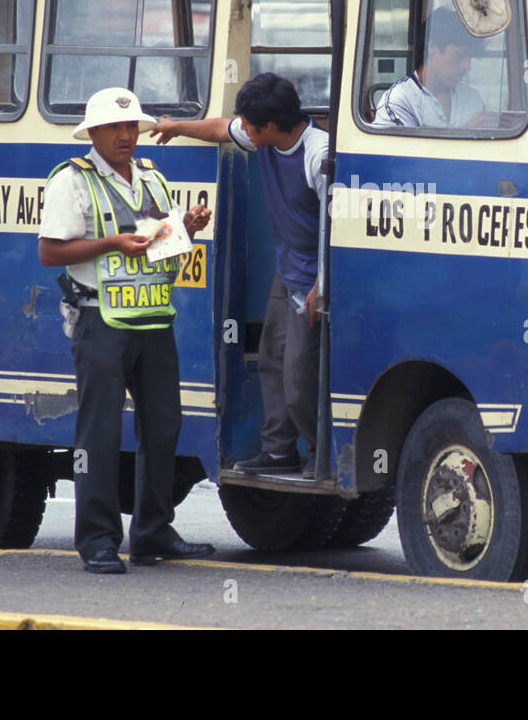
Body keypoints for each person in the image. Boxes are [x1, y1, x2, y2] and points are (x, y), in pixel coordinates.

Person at [38, 87, 215, 574]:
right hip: (101, 320)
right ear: (93, 132)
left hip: (153, 318)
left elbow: (160, 245)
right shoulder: (71, 182)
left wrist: (189, 228)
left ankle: (152, 532)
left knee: (163, 427)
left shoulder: (152, 180)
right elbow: (50, 252)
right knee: (98, 431)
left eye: (132, 127)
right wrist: (113, 243)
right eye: (115, 128)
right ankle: (97, 539)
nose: (126, 136)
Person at [153, 73, 326, 479]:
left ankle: (322, 453)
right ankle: (279, 451)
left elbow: (338, 229)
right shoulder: (265, 136)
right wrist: (175, 127)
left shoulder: (318, 155)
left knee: (300, 375)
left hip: (317, 279)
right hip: (287, 274)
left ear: (268, 126)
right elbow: (218, 129)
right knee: (271, 361)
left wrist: (325, 286)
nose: (241, 129)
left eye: (247, 124)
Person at [372, 6, 497, 129]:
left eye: (470, 58)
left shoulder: (471, 98)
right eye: (459, 55)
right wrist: (464, 133)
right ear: (432, 47)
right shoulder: (400, 101)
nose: (467, 66)